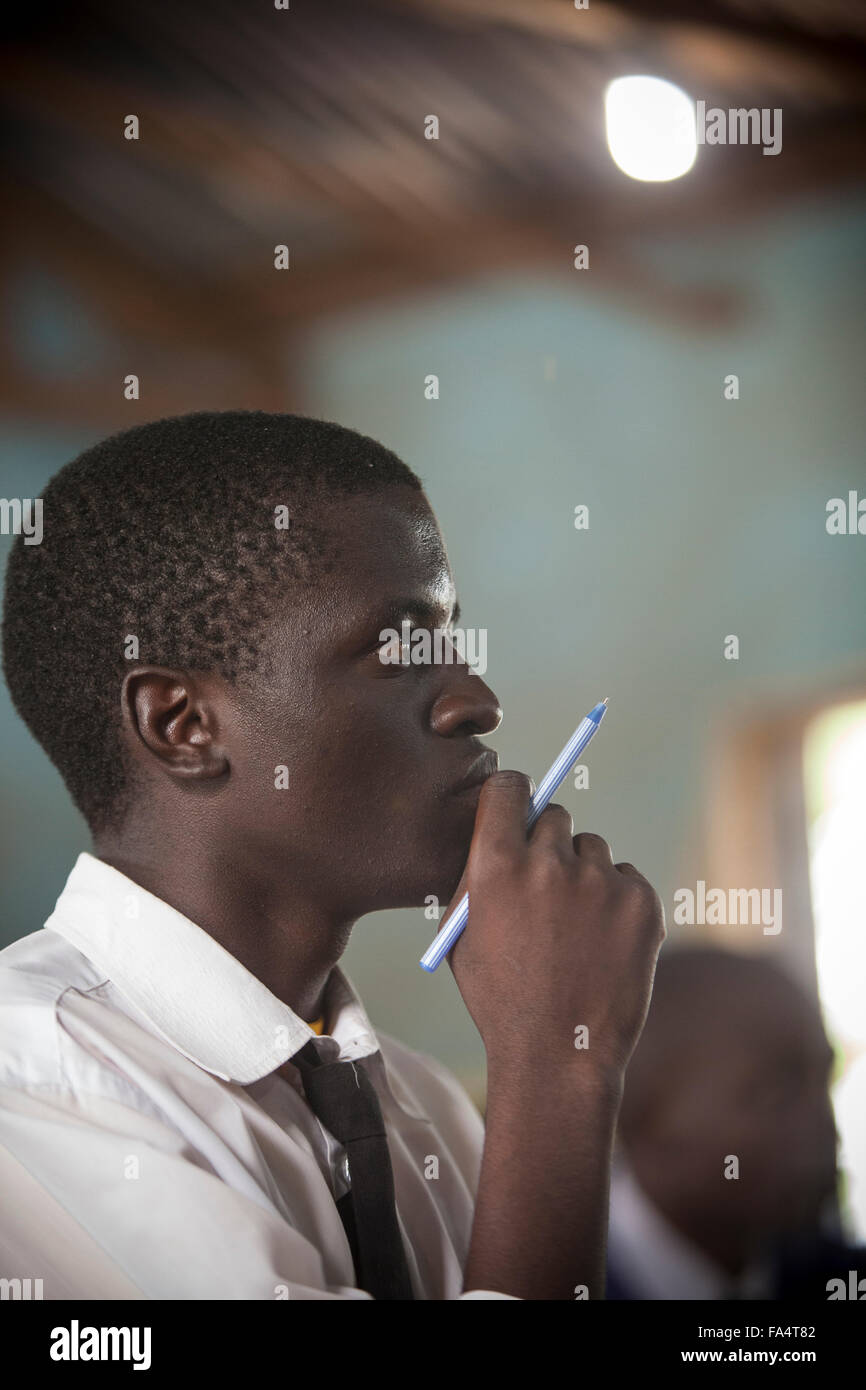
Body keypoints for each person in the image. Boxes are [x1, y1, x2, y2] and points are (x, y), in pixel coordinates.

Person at [0, 410, 664, 1300]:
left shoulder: (430, 1115)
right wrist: (559, 1069)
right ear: (183, 725)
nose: (479, 701)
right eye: (399, 649)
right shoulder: (39, 1087)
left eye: (453, 639)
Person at [605, 946, 858, 1300]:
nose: (826, 1129)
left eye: (824, 1082)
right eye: (773, 1093)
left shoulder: (838, 1279)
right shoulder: (548, 1281)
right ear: (637, 1109)